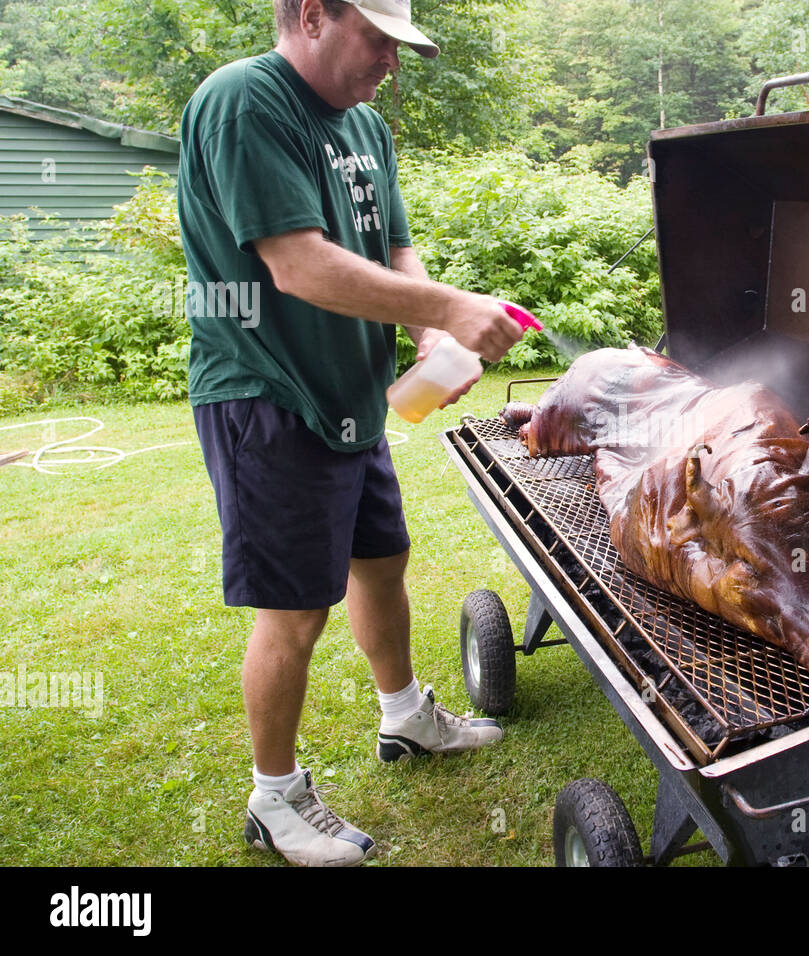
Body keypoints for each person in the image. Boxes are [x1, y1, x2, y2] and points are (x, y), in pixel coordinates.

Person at [177, 0, 523, 867]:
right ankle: (274, 798)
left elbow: (393, 249)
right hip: (269, 393)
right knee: (295, 610)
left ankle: (405, 717)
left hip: (351, 394)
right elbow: (296, 265)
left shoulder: (365, 125)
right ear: (312, 16)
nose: (391, 64)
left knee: (381, 561)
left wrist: (430, 334)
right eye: (378, 41)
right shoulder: (245, 101)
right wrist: (449, 309)